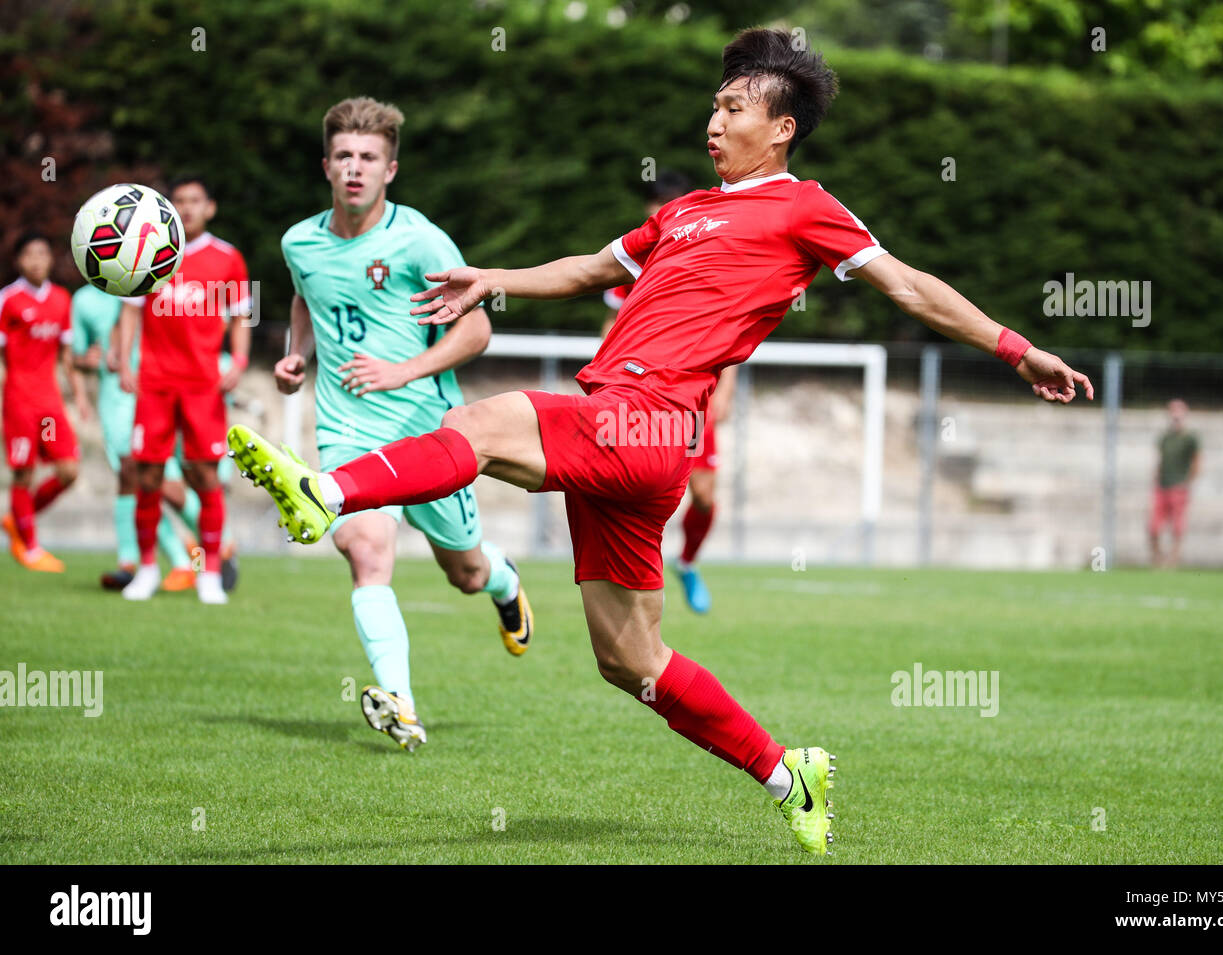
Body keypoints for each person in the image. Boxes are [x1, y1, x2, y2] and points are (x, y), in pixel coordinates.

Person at [230, 29, 1092, 854]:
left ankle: (327, 492)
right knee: (628, 657)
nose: (714, 124)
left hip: (645, 421)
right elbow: (590, 270)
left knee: (478, 423)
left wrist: (1018, 349)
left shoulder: (806, 208)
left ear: (781, 128)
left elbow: (912, 288)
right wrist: (495, 279)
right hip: (638, 448)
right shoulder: (681, 212)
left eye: (734, 110)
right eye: (712, 108)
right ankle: (788, 774)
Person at [271, 96, 533, 751]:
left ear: (391, 169)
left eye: (368, 157)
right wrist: (297, 354)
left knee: (464, 573)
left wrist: (406, 368)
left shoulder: (420, 241)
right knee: (364, 549)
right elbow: (307, 296)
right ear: (325, 165)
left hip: (427, 431)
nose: (354, 168)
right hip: (346, 428)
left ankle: (504, 583)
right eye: (344, 157)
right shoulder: (299, 242)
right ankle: (402, 704)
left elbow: (476, 329)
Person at [600, 172, 735, 614]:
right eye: (656, 203)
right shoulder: (633, 263)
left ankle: (688, 562)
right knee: (643, 487)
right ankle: (634, 571)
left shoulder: (710, 258)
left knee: (703, 493)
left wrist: (724, 393)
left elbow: (731, 335)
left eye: (670, 202)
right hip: (640, 394)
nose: (661, 211)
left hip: (695, 395)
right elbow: (611, 329)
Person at [116, 176, 250, 604]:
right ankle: (148, 569)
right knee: (147, 476)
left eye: (195, 201)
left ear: (210, 207)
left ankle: (209, 571)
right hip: (154, 382)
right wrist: (123, 360)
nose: (187, 208)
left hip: (202, 384)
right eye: (179, 201)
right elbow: (131, 312)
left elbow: (241, 315)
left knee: (204, 475)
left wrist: (240, 361)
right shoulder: (146, 250)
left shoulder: (227, 258)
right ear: (167, 207)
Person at [71, 282, 202, 591]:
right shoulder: (84, 300)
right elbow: (75, 355)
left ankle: (215, 543)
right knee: (131, 478)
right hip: (115, 399)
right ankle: (142, 562)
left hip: (153, 392)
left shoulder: (152, 284)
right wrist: (85, 372)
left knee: (168, 485)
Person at [1, 232, 88, 573]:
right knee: (23, 472)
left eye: (42, 252)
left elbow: (67, 355)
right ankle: (31, 547)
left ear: (51, 258)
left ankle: (18, 520)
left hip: (50, 402)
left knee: (68, 470)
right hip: (19, 398)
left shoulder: (62, 299)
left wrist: (78, 396)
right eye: (29, 254)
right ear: (18, 261)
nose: (36, 260)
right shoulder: (8, 299)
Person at [1148, 398, 1199, 569]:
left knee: (1177, 527)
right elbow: (1160, 462)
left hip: (1179, 487)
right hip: (1162, 487)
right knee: (1153, 527)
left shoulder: (1190, 438)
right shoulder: (1165, 438)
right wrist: (1156, 479)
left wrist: (1186, 482)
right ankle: (1158, 561)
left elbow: (1197, 462)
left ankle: (1173, 562)